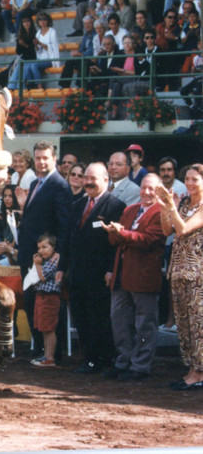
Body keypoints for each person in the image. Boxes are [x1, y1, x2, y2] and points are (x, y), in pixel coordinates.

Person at [61, 162, 126, 374]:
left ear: (106, 181)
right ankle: (89, 358)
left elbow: (117, 244)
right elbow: (68, 238)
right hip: (77, 273)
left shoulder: (116, 206)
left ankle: (103, 358)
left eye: (93, 179)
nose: (88, 182)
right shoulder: (77, 205)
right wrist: (63, 267)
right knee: (81, 316)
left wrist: (110, 270)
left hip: (99, 275)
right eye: (86, 178)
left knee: (99, 317)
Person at [102, 173, 166, 381]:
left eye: (152, 189)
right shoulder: (130, 210)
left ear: (160, 191)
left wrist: (122, 233)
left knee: (144, 323)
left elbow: (149, 240)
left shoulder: (161, 212)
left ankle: (140, 365)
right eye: (144, 188)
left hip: (144, 277)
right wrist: (114, 231)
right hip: (122, 275)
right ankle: (124, 361)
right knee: (119, 320)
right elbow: (114, 241)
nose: (147, 192)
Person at [15, 141, 73, 359]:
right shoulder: (37, 183)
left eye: (45, 158)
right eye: (38, 158)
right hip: (30, 257)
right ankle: (39, 349)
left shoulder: (59, 185)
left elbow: (64, 224)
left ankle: (51, 353)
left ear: (54, 159)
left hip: (46, 259)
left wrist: (59, 254)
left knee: (47, 306)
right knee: (32, 304)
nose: (41, 162)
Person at [155, 163, 203, 390]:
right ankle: (192, 370)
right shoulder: (184, 203)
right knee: (184, 324)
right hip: (178, 271)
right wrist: (166, 206)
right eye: (188, 179)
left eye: (195, 180)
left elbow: (184, 229)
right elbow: (168, 230)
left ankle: (199, 373)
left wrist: (172, 209)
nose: (191, 184)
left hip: (198, 274)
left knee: (198, 325)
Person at [30, 234, 62, 368]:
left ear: (53, 247)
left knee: (49, 328)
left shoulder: (56, 259)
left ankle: (50, 357)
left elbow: (43, 277)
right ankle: (46, 355)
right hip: (41, 295)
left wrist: (37, 264)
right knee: (43, 327)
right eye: (39, 248)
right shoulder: (45, 260)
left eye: (45, 247)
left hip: (50, 297)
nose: (41, 251)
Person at [23, 12, 61, 89]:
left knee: (34, 65)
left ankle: (39, 85)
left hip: (50, 58)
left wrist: (39, 43)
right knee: (27, 66)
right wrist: (36, 45)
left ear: (48, 21)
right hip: (40, 58)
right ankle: (31, 85)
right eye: (40, 19)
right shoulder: (38, 33)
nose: (42, 21)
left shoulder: (52, 32)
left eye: (44, 19)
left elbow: (53, 48)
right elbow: (38, 50)